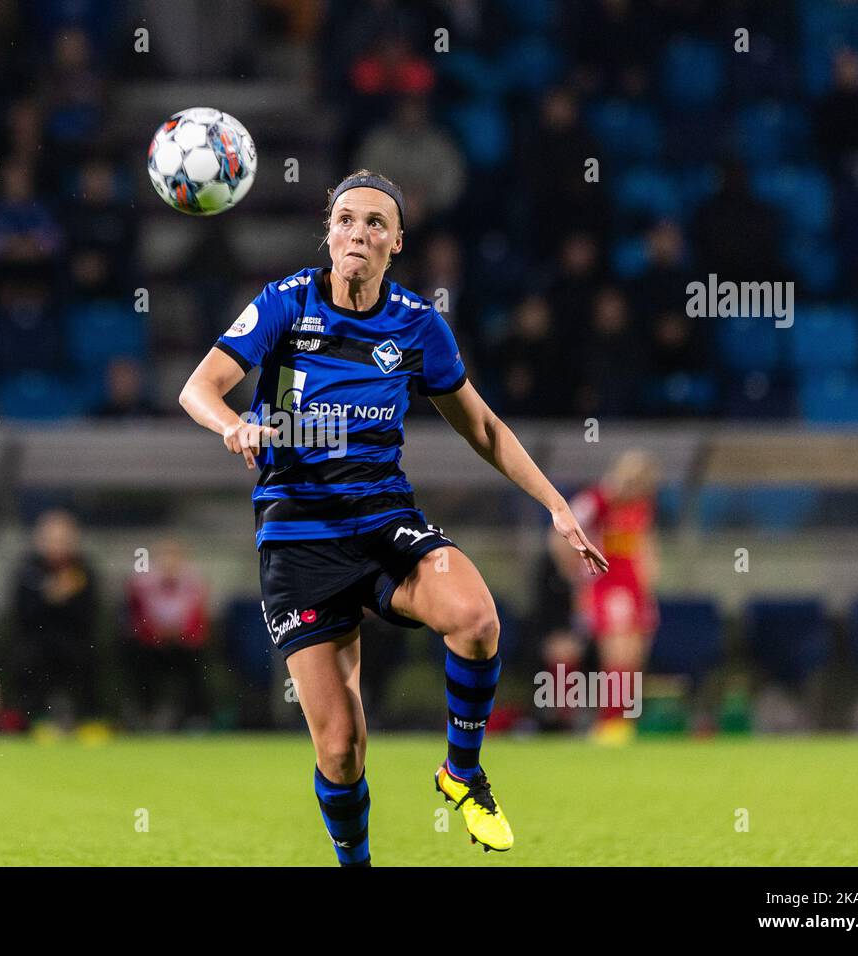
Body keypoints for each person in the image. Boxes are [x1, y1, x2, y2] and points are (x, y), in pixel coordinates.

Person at [179, 170, 607, 865]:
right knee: (343, 749)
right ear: (329, 232)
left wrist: (556, 505)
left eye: (376, 223)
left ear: (396, 242)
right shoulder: (286, 303)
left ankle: (462, 771)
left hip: (384, 522)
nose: (359, 232)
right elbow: (198, 387)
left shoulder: (416, 323)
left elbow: (486, 429)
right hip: (299, 537)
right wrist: (232, 424)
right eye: (346, 219)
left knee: (476, 618)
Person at [552, 450, 659, 745]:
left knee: (633, 657)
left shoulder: (641, 505)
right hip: (607, 585)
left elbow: (644, 542)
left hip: (634, 587)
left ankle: (621, 722)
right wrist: (576, 575)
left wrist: (649, 575)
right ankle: (608, 723)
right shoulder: (597, 501)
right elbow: (559, 535)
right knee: (617, 653)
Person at [11, 509, 102, 726]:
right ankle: (31, 719)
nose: (56, 545)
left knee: (86, 656)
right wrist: (49, 598)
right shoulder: (27, 569)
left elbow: (90, 614)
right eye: (51, 539)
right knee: (29, 657)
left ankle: (88, 718)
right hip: (37, 640)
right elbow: (22, 615)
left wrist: (66, 600)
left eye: (62, 539)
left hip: (74, 640)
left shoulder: (83, 570)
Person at [122, 537, 211, 729]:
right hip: (152, 645)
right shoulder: (141, 585)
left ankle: (196, 718)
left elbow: (198, 621)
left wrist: (182, 635)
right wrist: (156, 635)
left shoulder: (194, 585)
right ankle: (144, 715)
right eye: (164, 556)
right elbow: (137, 620)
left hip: (183, 645)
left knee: (195, 665)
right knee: (139, 660)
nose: (169, 562)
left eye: (175, 557)